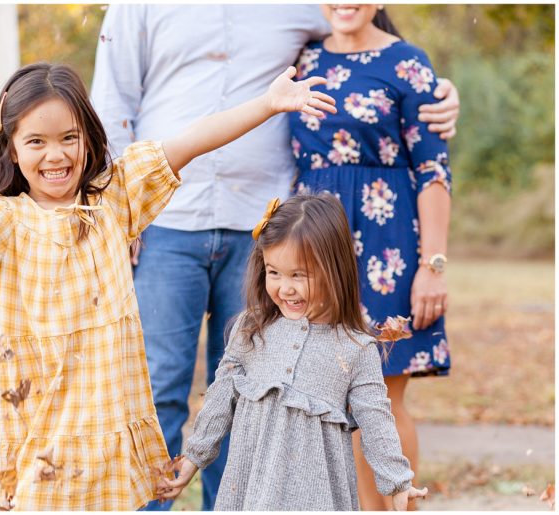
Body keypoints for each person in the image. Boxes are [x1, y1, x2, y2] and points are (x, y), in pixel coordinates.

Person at [0, 62, 336, 510]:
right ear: (11, 149)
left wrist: (267, 104)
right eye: (36, 141)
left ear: (86, 137)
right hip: (45, 427)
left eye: (68, 138)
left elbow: (189, 142)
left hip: (109, 418)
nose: (55, 155)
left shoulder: (114, 198)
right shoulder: (0, 219)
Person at [90, 5, 459, 510]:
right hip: (220, 227)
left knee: (335, 396)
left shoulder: (315, 17)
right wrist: (119, 206)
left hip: (323, 236)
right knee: (171, 387)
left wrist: (440, 93)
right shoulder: (150, 8)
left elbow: (421, 141)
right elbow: (112, 100)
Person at [155, 193, 429, 510]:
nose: (285, 288)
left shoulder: (355, 347)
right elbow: (220, 398)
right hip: (250, 492)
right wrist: (193, 457)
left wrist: (397, 484)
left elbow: (378, 422)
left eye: (299, 275)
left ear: (334, 269)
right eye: (274, 272)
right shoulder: (250, 329)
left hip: (317, 497)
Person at [289, 5, 452, 510]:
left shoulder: (408, 63)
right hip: (315, 243)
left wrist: (433, 265)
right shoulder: (301, 60)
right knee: (329, 397)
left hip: (388, 245)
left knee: (381, 396)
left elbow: (433, 172)